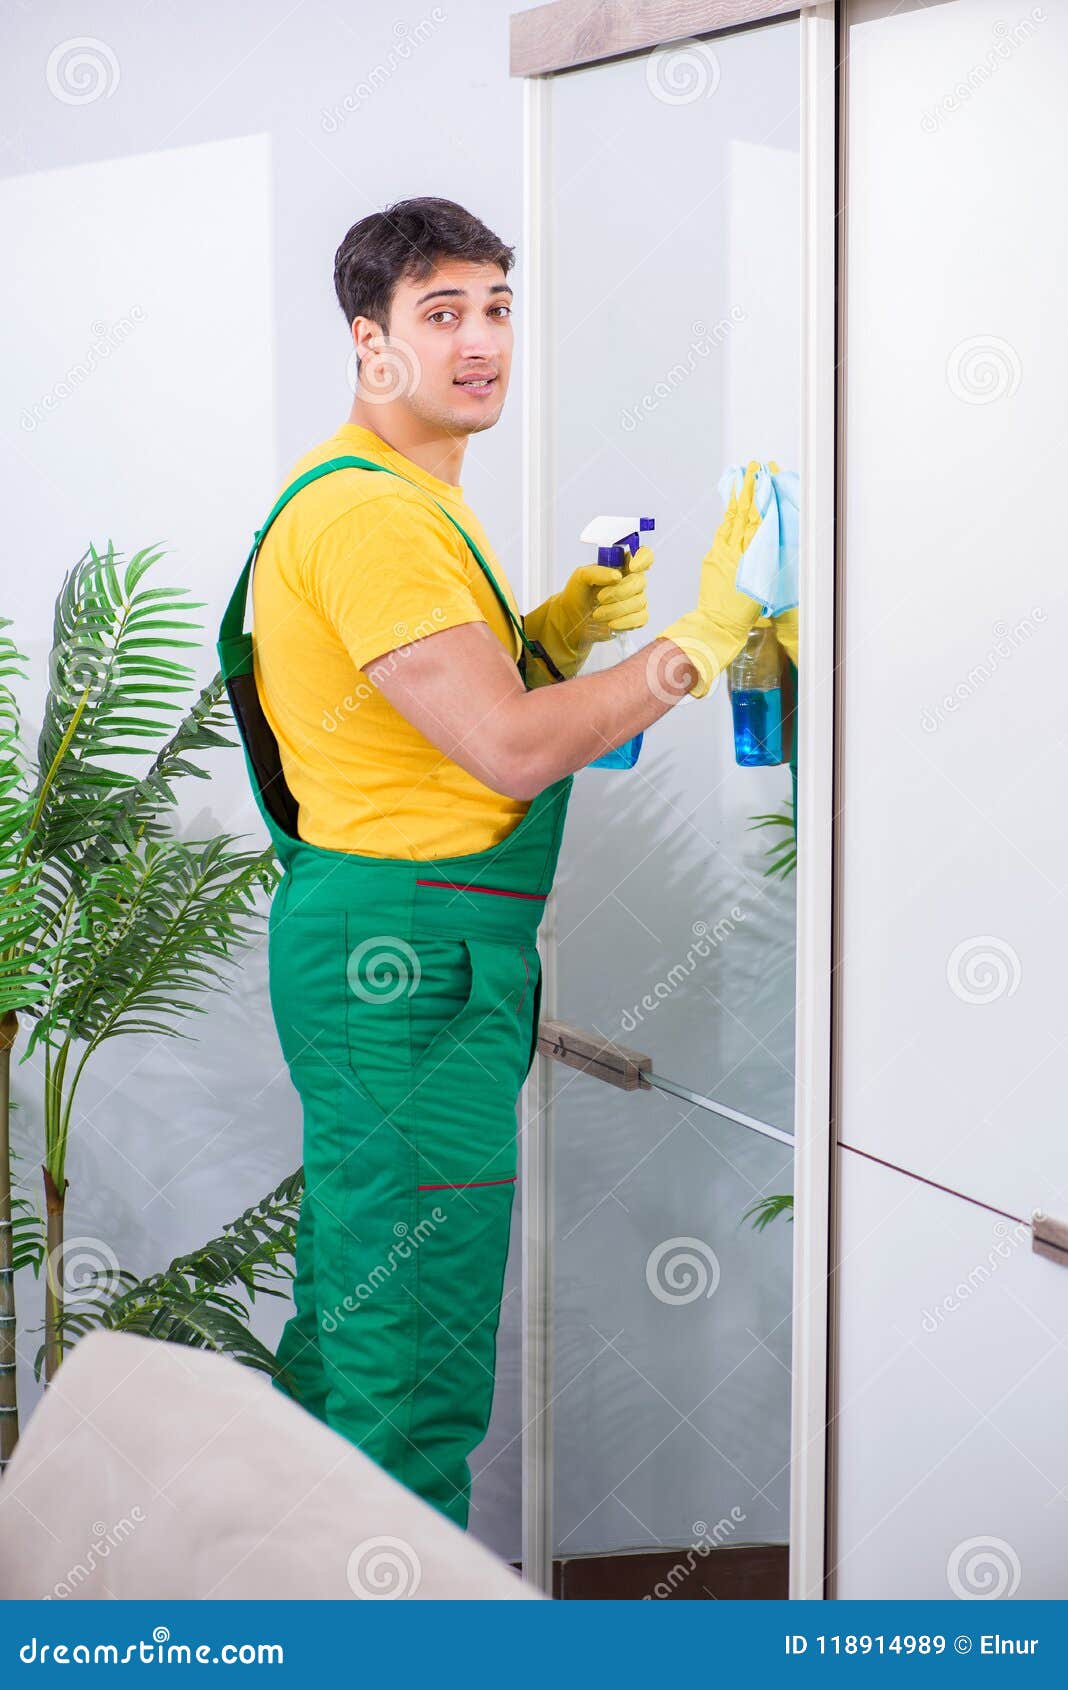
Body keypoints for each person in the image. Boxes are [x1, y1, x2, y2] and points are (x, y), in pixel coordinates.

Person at [221, 196, 785, 1531]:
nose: (481, 342)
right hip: (405, 958)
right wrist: (696, 643)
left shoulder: (407, 496)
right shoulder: (373, 519)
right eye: (440, 313)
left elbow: (402, 721)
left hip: (403, 942)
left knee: (355, 1320)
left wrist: (548, 628)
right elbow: (508, 752)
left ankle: (298, 1618)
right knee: (406, 1368)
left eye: (496, 307)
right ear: (371, 346)